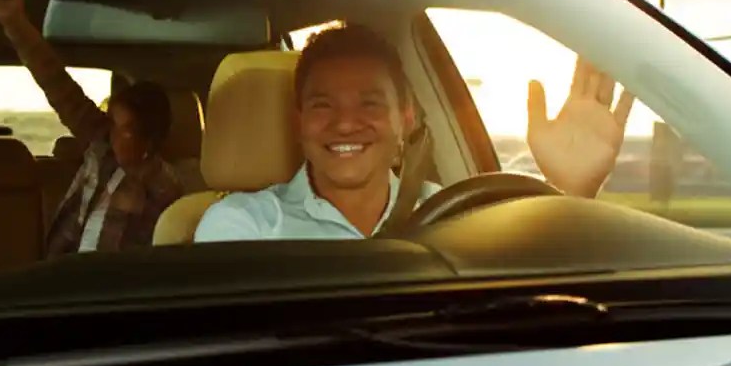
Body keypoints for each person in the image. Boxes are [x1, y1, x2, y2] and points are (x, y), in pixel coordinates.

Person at [194, 23, 634, 242]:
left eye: (369, 103)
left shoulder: (452, 218)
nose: (345, 123)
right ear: (299, 121)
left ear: (406, 118)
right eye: (322, 105)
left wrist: (573, 192)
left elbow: (529, 304)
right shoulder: (242, 228)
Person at [0, 0, 183, 255]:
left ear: (150, 138)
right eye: (113, 124)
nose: (114, 137)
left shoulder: (166, 186)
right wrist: (13, 21)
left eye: (126, 129)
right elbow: (54, 81)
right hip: (64, 274)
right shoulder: (100, 143)